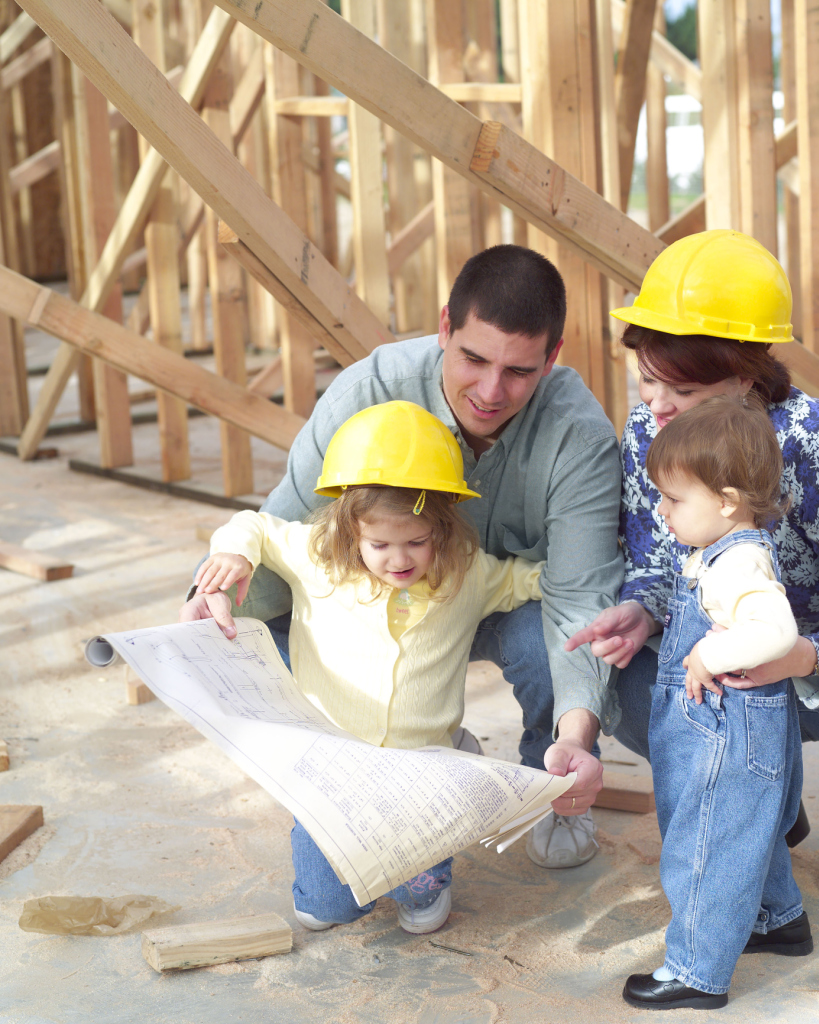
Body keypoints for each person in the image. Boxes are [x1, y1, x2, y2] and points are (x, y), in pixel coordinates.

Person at [180, 245, 623, 869]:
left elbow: (580, 596)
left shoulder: (579, 435)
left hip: (499, 598)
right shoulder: (368, 390)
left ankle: (549, 788)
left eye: (520, 371)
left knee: (561, 642)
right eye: (472, 358)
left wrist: (578, 736)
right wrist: (221, 602)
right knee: (248, 612)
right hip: (373, 603)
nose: (492, 391)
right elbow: (283, 529)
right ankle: (366, 756)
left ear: (552, 358)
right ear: (445, 327)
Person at [570, 229, 819, 909]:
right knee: (628, 692)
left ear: (745, 377)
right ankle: (768, 808)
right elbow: (658, 558)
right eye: (648, 378)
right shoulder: (647, 431)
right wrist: (642, 607)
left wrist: (801, 655)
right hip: (726, 647)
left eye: (682, 388)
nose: (657, 405)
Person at [188, 401, 545, 934]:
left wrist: (598, 578)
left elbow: (526, 580)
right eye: (379, 544)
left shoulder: (467, 573)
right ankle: (343, 881)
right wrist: (237, 554)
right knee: (321, 913)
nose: (398, 559)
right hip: (332, 765)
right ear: (348, 528)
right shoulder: (317, 558)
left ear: (443, 529)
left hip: (421, 767)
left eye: (416, 542)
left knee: (421, 910)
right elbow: (253, 525)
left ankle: (452, 771)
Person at [622, 396, 807, 1011]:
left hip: (723, 728)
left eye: (674, 500)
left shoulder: (738, 564)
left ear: (726, 502)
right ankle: (777, 917)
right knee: (744, 829)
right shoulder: (723, 549)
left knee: (704, 840)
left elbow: (777, 632)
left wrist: (708, 657)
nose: (663, 511)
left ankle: (696, 970)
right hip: (729, 724)